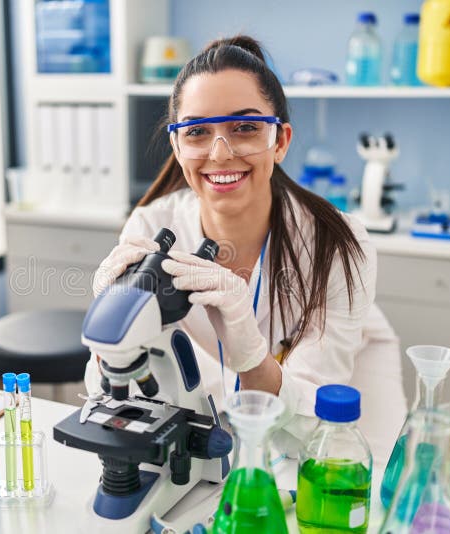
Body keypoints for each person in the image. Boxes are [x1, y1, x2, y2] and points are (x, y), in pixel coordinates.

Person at [84, 35, 406, 465]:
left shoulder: (339, 244)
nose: (220, 153)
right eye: (197, 132)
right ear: (178, 147)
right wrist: (110, 332)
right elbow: (110, 393)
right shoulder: (150, 227)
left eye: (245, 127)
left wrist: (252, 353)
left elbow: (313, 427)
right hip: (226, 396)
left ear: (280, 141)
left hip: (343, 399)